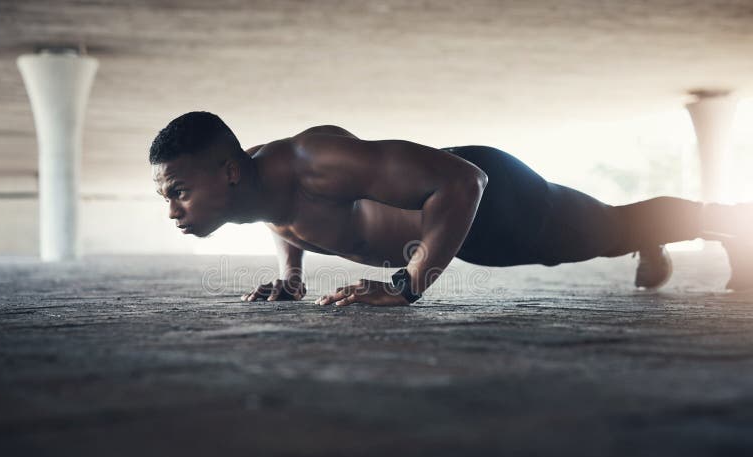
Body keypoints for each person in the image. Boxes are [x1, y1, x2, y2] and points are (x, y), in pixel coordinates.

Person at [149, 111, 752, 306]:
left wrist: (408, 287)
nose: (173, 209)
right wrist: (291, 279)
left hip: (487, 200)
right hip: (461, 229)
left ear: (227, 172)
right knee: (605, 229)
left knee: (610, 229)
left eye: (179, 190)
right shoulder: (254, 187)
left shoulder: (309, 161)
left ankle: (729, 220)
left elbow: (465, 181)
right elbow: (284, 220)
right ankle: (647, 237)